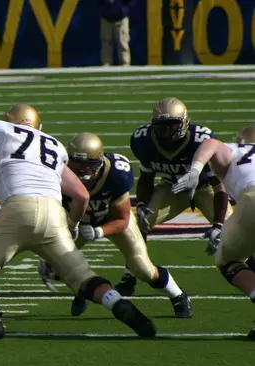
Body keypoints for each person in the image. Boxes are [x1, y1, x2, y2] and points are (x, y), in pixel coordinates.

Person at [0, 104, 156, 339]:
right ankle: (116, 303)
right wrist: (72, 225)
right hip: (55, 213)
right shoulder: (53, 144)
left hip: (18, 209)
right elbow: (81, 196)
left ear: (9, 120)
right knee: (83, 278)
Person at [38, 132, 192, 319]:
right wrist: (47, 254)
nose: (81, 170)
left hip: (112, 221)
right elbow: (53, 213)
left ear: (100, 162)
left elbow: (123, 219)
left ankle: (178, 296)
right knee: (58, 266)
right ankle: (82, 291)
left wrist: (99, 231)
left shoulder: (115, 175)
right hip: (77, 224)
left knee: (143, 269)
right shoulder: (56, 173)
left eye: (88, 165)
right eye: (76, 164)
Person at [117, 97, 231, 295]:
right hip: (171, 188)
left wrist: (218, 225)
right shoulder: (144, 141)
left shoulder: (201, 140)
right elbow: (146, 177)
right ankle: (130, 274)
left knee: (233, 230)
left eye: (173, 124)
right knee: (139, 224)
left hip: (205, 188)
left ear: (186, 122)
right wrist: (142, 205)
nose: (167, 130)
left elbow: (220, 187)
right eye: (162, 125)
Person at [171, 124, 255, 340]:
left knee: (228, 260)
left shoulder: (238, 150)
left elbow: (211, 144)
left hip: (252, 200)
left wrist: (194, 170)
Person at [98, 0, 136, 66]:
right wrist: (103, 11)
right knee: (106, 42)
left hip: (121, 19)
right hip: (106, 19)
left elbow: (131, 1)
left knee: (123, 42)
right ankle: (106, 63)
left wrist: (124, 10)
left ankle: (125, 63)